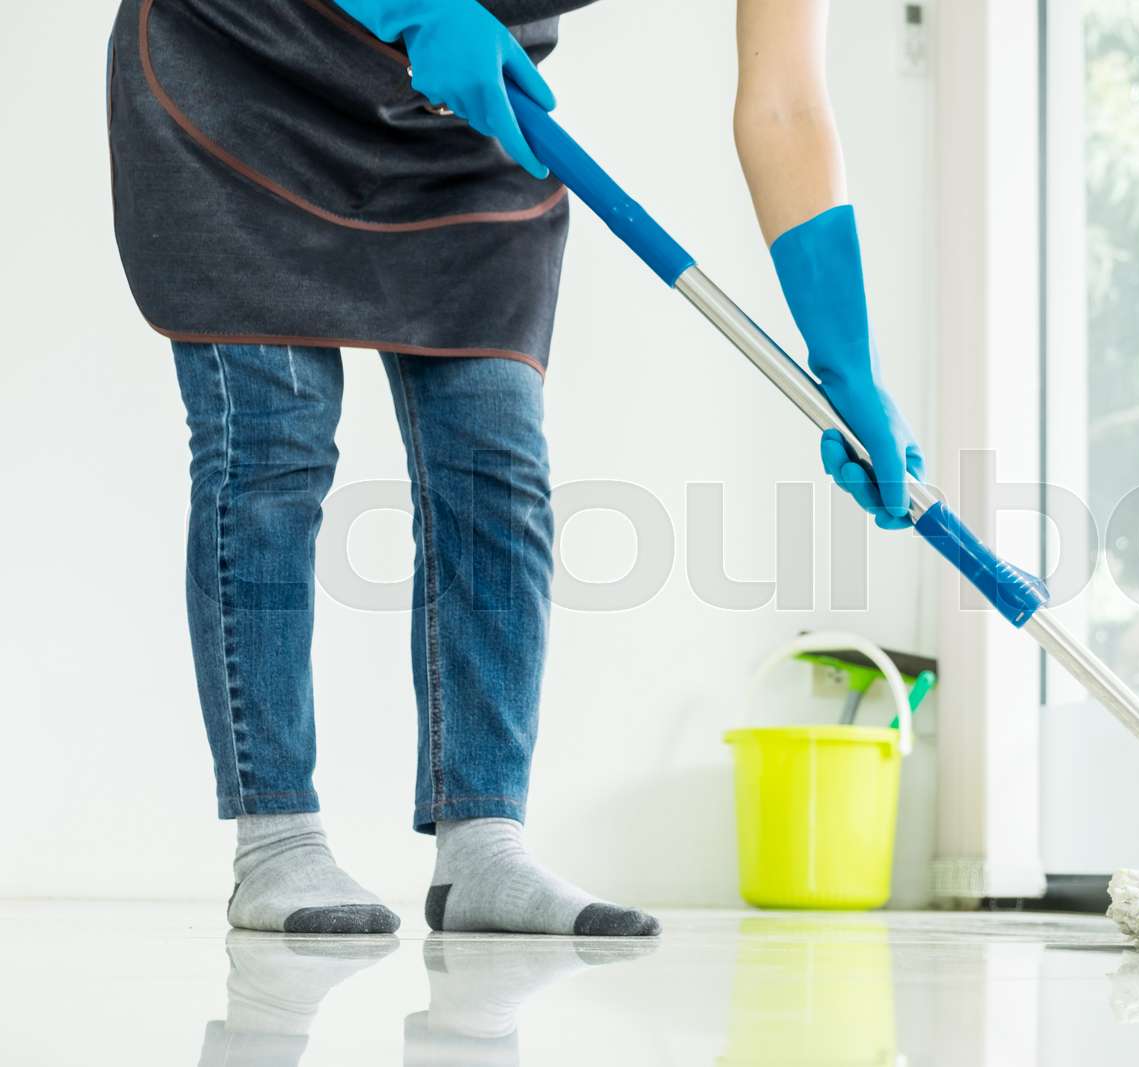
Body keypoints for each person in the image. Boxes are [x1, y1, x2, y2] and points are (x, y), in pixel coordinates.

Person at [107, 0, 922, 935]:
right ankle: (276, 840)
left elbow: (784, 101)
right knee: (271, 446)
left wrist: (845, 359)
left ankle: (483, 844)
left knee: (494, 466)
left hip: (463, 117)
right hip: (244, 68)